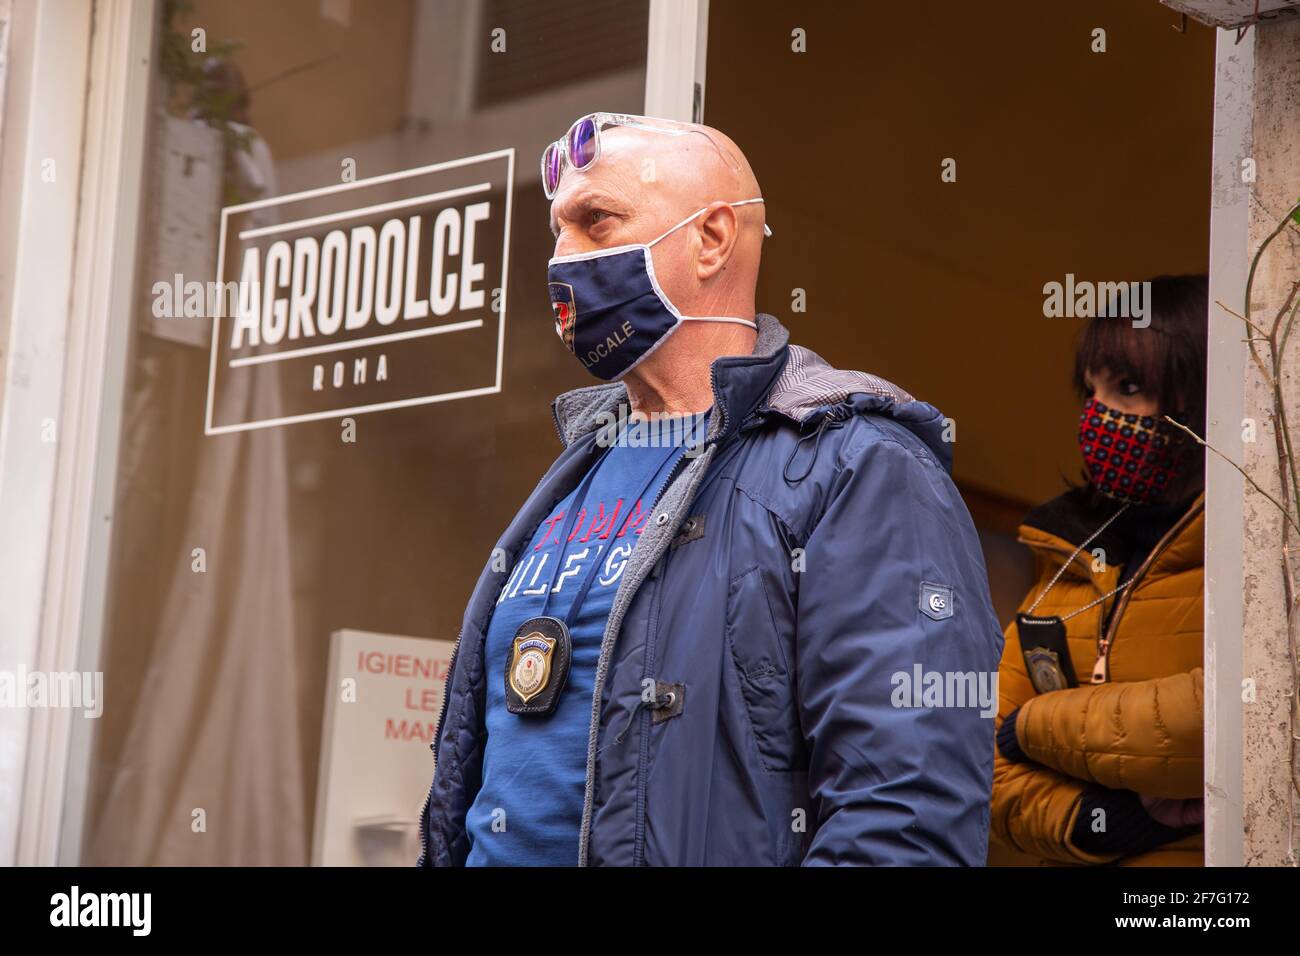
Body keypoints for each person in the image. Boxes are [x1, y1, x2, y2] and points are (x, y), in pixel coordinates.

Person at [418, 113, 1003, 866]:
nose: (563, 258)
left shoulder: (858, 467)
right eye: (557, 231)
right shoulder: (576, 471)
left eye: (597, 222)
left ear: (713, 238)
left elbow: (905, 817)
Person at [990, 275, 1208, 866]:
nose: (1098, 416)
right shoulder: (1065, 564)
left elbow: (1216, 724)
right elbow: (984, 763)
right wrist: (1103, 823)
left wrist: (1034, 729)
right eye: (1092, 391)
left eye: (1129, 387)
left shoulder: (1254, 568)